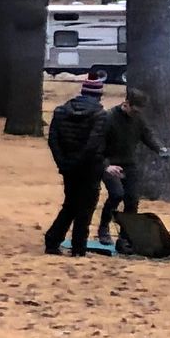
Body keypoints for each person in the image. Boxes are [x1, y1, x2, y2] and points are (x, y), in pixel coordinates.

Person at [95, 85, 170, 250]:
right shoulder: (108, 118)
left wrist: (160, 149)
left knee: (132, 199)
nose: (137, 114)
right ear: (126, 103)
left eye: (139, 112)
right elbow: (97, 146)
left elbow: (148, 135)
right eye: (134, 110)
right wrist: (106, 166)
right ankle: (103, 228)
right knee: (116, 194)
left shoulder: (138, 119)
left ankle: (126, 235)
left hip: (129, 164)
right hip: (110, 164)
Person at [44, 72, 110, 257]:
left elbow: (53, 140)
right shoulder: (99, 114)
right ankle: (78, 247)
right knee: (86, 207)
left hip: (68, 166)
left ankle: (53, 240)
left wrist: (64, 162)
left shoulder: (60, 111)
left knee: (70, 204)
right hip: (90, 167)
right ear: (98, 95)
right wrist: (80, 162)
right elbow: (93, 144)